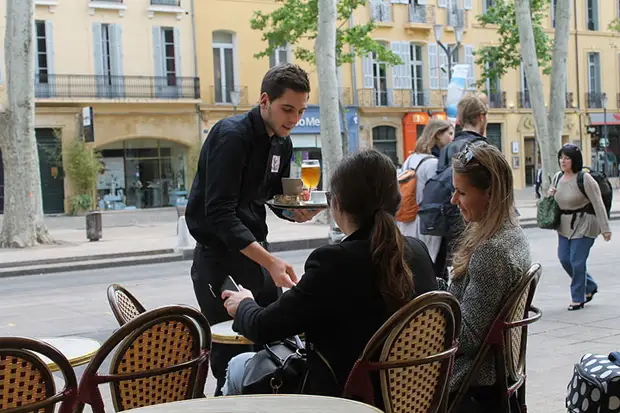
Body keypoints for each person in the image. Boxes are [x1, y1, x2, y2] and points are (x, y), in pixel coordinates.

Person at [220, 149, 438, 397]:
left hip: (344, 397)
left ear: (337, 203)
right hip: (411, 396)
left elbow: (263, 327)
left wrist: (244, 304)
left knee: (238, 366)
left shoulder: (333, 262)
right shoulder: (417, 253)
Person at [185, 63, 320, 395]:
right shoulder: (231, 136)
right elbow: (219, 214)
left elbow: (268, 198)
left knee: (270, 351)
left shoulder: (282, 143)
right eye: (287, 109)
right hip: (219, 262)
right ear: (264, 101)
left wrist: (295, 213)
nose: (294, 119)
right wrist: (271, 262)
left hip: (258, 256)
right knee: (231, 360)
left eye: (301, 111)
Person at [447, 143, 531, 412]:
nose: (453, 200)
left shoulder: (490, 252)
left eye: (461, 192)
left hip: (472, 383)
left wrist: (428, 318)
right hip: (498, 375)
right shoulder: (513, 235)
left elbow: (467, 338)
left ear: (490, 194)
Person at [549, 144, 611, 311]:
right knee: (564, 258)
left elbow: (598, 203)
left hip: (585, 223)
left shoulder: (585, 179)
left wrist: (605, 228)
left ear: (574, 160)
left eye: (567, 158)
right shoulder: (557, 177)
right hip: (564, 225)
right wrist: (550, 195)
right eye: (561, 157)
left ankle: (578, 298)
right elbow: (549, 202)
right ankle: (589, 285)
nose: (563, 161)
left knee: (577, 262)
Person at [434, 94, 489, 280]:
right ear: (481, 117)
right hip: (477, 224)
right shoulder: (482, 146)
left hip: (450, 221)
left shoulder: (447, 149)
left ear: (459, 119)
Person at [397, 119, 454, 269]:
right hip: (426, 227)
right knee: (432, 270)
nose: (452, 138)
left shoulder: (410, 159)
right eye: (449, 133)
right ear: (437, 135)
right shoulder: (433, 164)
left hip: (407, 223)